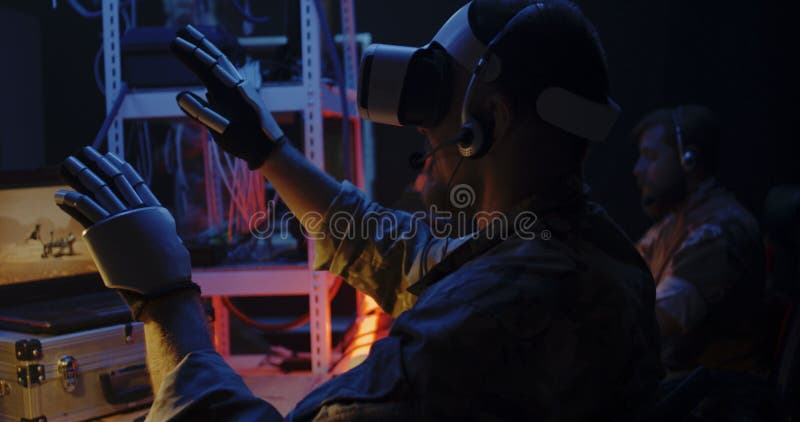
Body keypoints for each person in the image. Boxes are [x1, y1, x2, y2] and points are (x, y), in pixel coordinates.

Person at [57, 1, 662, 420]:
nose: (424, 138)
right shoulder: (589, 254)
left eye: (435, 108)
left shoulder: (475, 328)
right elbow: (404, 256)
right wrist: (271, 153)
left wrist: (164, 302)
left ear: (491, 123)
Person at [632, 105, 770, 378]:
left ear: (688, 160)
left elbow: (656, 320)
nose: (638, 169)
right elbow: (623, 274)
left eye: (650, 156)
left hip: (713, 401)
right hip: (680, 389)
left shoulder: (721, 229)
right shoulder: (671, 226)